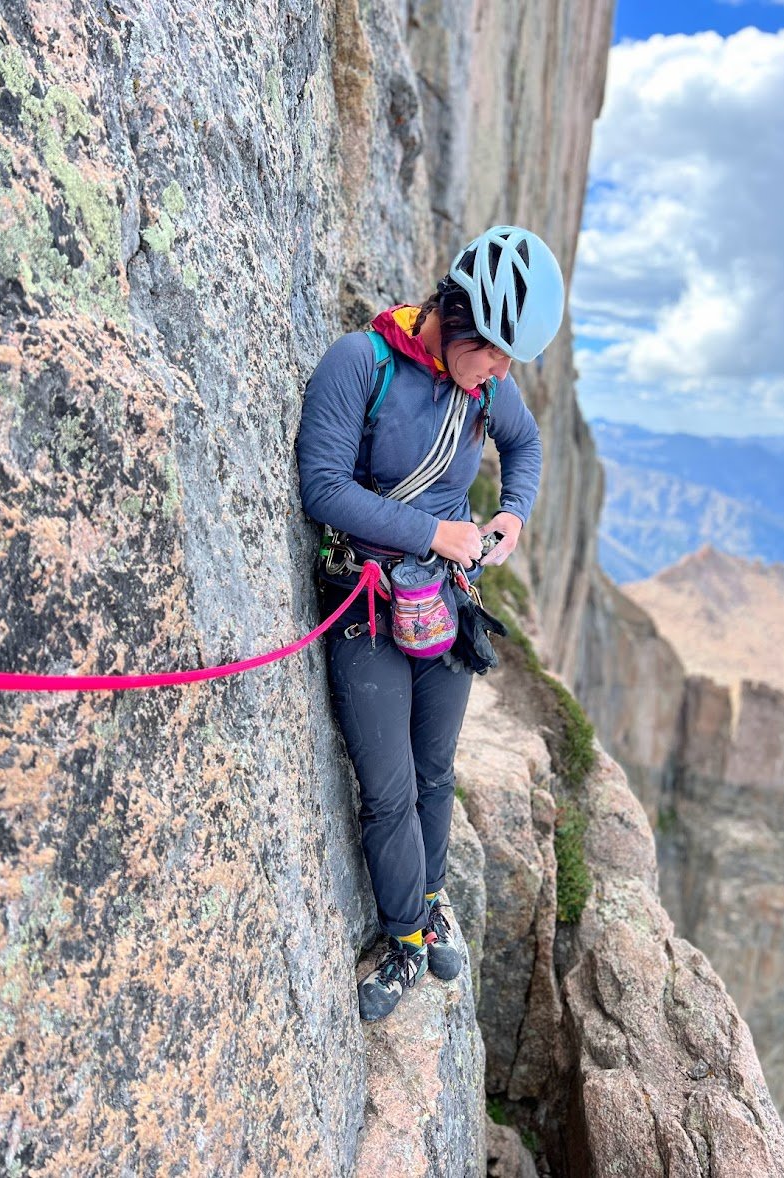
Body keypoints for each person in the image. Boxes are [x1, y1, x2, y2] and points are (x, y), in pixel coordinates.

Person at [296, 225, 564, 1020]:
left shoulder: (483, 388)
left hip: (444, 602)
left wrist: (511, 516)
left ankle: (434, 894)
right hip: (367, 603)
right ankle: (407, 936)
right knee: (388, 788)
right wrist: (434, 533)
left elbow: (526, 444)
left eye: (509, 360)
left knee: (435, 770)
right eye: (492, 352)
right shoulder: (361, 364)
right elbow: (324, 488)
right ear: (454, 319)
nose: (501, 374)